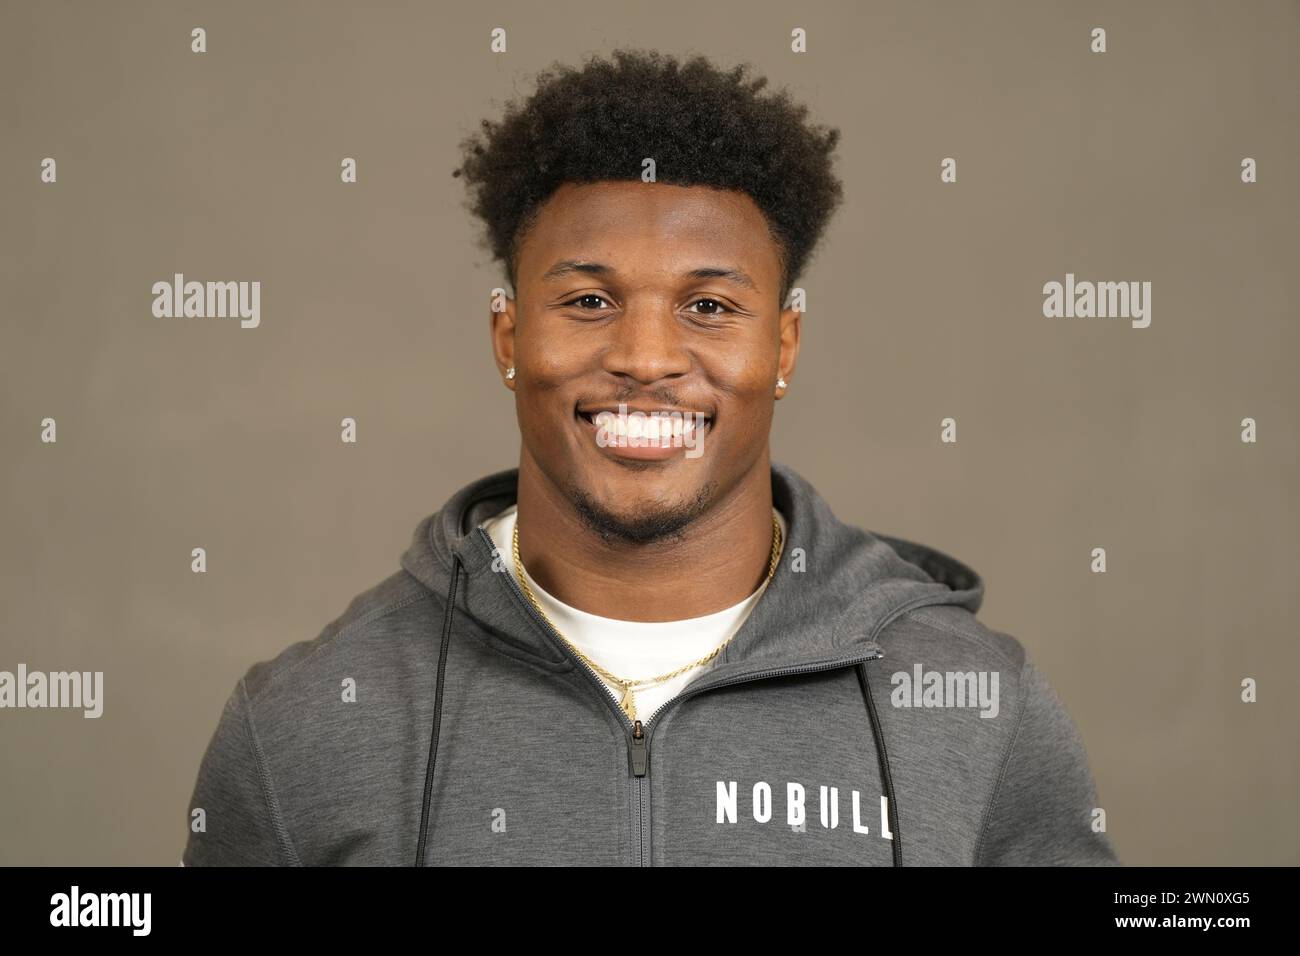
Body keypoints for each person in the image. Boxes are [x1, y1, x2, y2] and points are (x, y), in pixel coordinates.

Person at [183, 48, 1118, 866]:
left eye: (708, 307)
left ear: (784, 348)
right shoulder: (308, 725)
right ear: (508, 338)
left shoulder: (970, 706)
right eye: (588, 301)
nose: (646, 357)